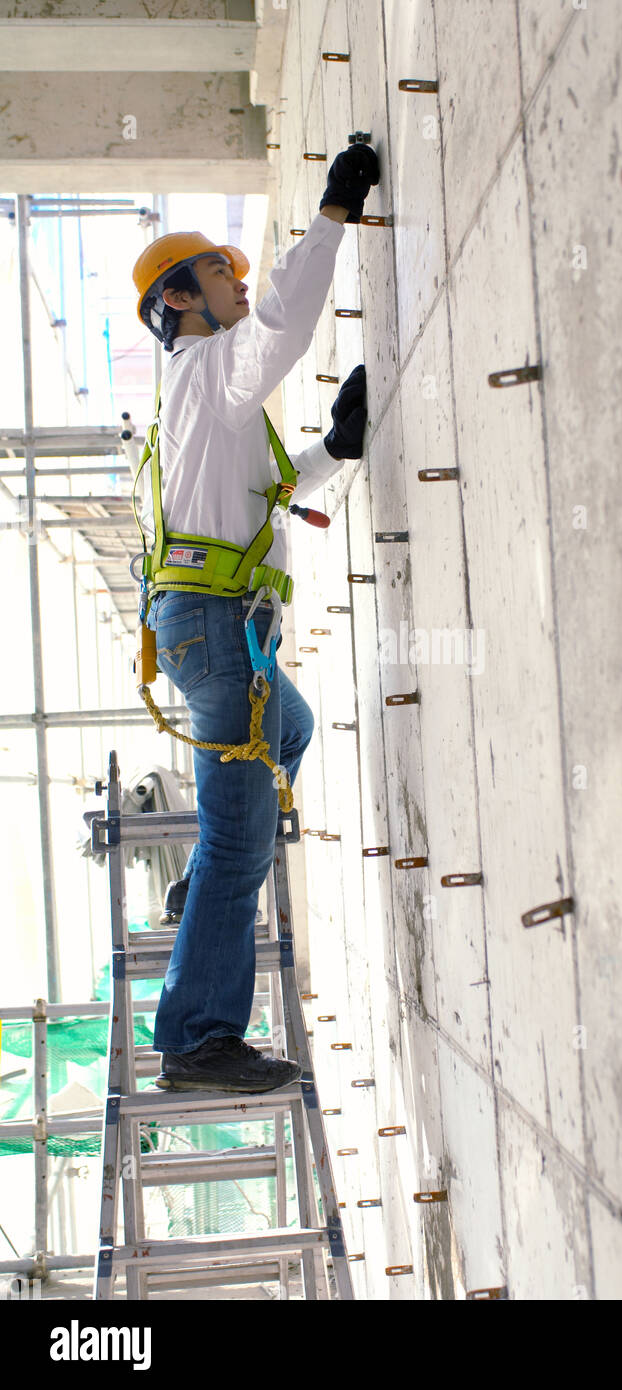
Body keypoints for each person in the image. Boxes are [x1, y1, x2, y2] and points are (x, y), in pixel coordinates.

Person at [130, 141, 380, 1093]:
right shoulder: (206, 375)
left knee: (295, 728)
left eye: (233, 271)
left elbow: (261, 503)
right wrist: (330, 215)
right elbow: (281, 327)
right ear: (179, 302)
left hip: (217, 626)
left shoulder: (202, 404)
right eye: (219, 273)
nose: (236, 281)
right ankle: (196, 1037)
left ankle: (201, 897)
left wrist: (332, 448)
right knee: (242, 835)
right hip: (215, 626)